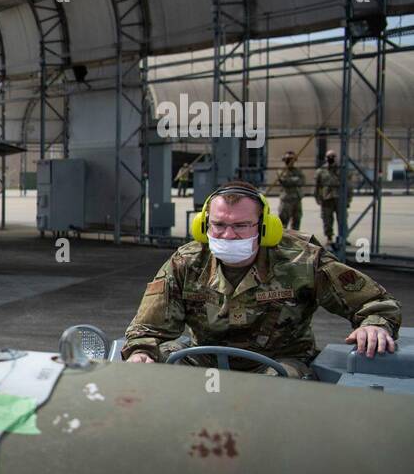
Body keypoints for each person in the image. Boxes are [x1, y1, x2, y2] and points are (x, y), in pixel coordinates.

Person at [122, 181, 399, 377]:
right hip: (202, 359)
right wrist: (140, 352)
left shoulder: (302, 260)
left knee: (272, 398)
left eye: (241, 226)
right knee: (151, 376)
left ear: (265, 228)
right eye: (218, 225)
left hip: (279, 362)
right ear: (204, 225)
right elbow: (147, 328)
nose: (228, 235)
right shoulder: (187, 261)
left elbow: (376, 302)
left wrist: (373, 325)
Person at [315, 149, 340, 243]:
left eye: (333, 157)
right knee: (327, 219)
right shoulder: (321, 171)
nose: (331, 159)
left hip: (339, 198)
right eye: (329, 157)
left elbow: (348, 186)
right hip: (326, 198)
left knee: (342, 219)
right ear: (326, 158)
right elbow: (317, 186)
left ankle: (342, 238)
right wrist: (317, 197)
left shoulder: (341, 170)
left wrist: (348, 200)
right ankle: (329, 237)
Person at [275, 151, 304, 231]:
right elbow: (284, 181)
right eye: (288, 159)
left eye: (292, 159)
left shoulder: (298, 170)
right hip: (286, 199)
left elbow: (302, 181)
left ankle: (295, 240)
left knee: (297, 221)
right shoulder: (282, 171)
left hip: (297, 199)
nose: (290, 161)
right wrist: (295, 179)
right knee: (283, 221)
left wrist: (292, 180)